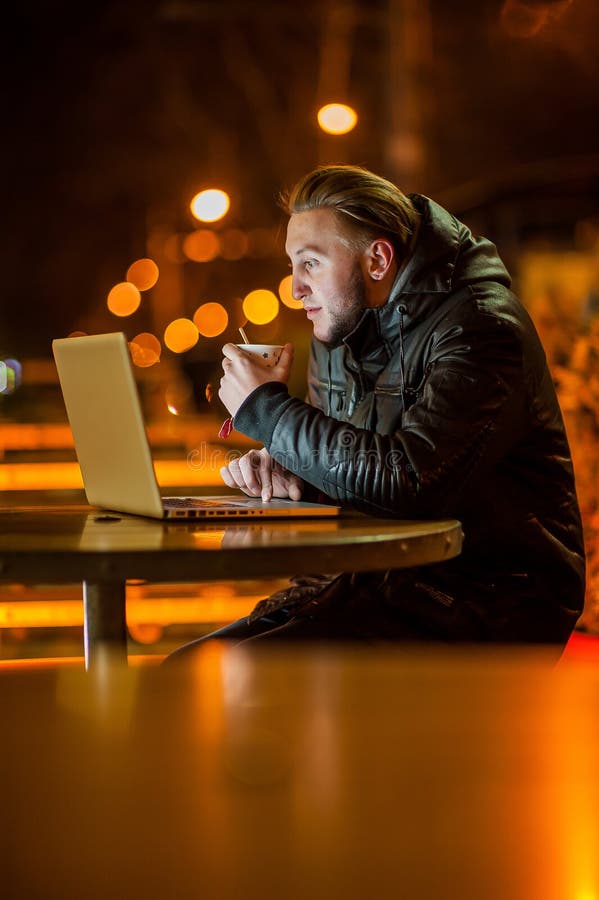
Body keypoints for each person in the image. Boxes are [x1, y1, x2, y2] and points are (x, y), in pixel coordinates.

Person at [168, 164, 585, 657]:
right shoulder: (339, 333)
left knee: (228, 679)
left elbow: (411, 480)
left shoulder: (480, 325)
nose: (295, 287)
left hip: (485, 602)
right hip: (377, 585)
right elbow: (359, 470)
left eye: (311, 263)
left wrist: (268, 412)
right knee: (189, 669)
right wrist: (294, 471)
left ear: (378, 260)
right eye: (291, 265)